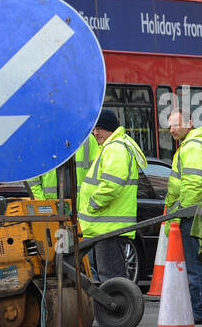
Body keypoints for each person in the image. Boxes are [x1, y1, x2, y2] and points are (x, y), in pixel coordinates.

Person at [165, 109, 202, 324]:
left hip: (193, 214)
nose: (171, 130)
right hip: (200, 212)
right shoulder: (195, 145)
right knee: (200, 262)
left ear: (189, 123)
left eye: (176, 125)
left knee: (195, 265)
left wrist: (181, 213)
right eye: (170, 125)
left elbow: (192, 185)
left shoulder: (192, 147)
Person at [77, 110, 145, 281]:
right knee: (106, 276)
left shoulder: (116, 149)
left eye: (98, 129)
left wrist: (93, 204)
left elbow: (112, 186)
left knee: (111, 278)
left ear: (108, 129)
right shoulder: (112, 147)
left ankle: (116, 308)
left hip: (108, 226)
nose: (95, 133)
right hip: (103, 226)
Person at [28, 136, 100, 200]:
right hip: (52, 206)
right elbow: (32, 178)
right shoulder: (41, 141)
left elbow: (99, 172)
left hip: (82, 205)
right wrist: (44, 203)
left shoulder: (87, 138)